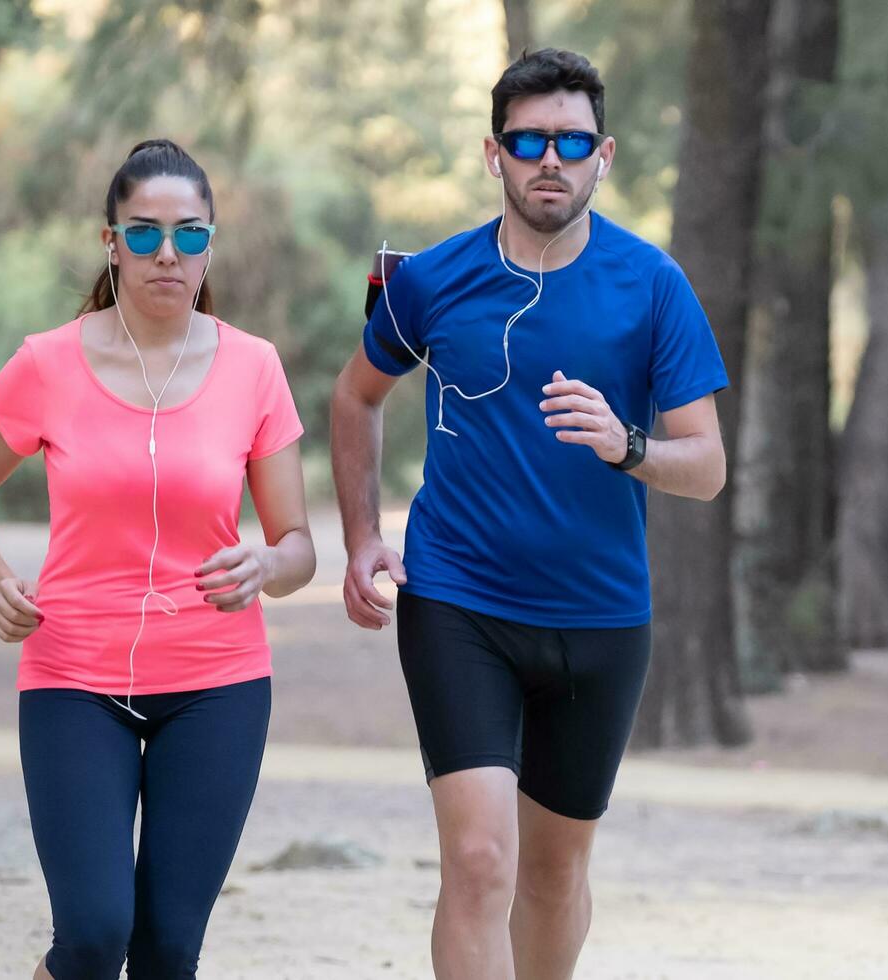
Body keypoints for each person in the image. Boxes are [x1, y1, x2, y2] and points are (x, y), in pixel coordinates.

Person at [330, 48, 728, 980]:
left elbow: (706, 467)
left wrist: (626, 446)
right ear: (494, 153)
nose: (551, 158)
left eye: (572, 140)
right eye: (529, 140)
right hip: (460, 604)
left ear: (606, 155)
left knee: (554, 875)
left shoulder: (653, 284)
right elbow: (355, 398)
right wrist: (360, 539)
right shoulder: (431, 280)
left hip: (599, 618)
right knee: (479, 862)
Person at [0, 138, 315, 980]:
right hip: (74, 677)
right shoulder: (46, 363)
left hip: (217, 682)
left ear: (211, 243)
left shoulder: (253, 367)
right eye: (142, 234)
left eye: (187, 234)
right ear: (111, 244)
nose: (166, 254)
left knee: (169, 949)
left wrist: (264, 566)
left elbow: (298, 548)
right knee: (96, 937)